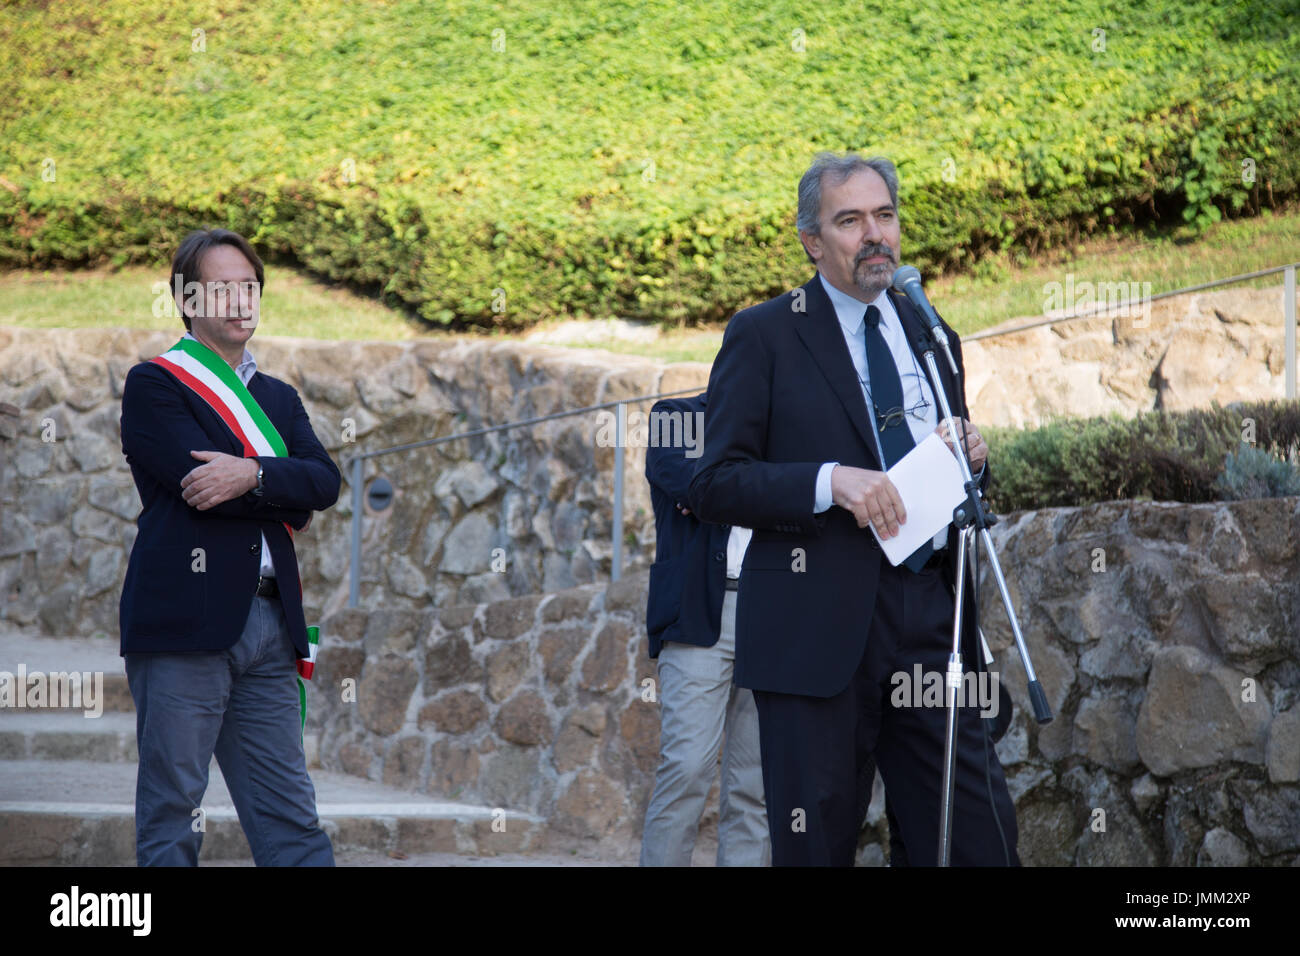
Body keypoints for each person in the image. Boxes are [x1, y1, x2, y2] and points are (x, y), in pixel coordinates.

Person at [688, 153, 1019, 866]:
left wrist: (974, 453)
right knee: (817, 848)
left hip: (933, 617)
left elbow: (961, 480)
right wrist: (829, 481)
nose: (875, 234)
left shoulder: (932, 333)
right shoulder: (766, 334)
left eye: (885, 215)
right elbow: (714, 482)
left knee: (977, 838)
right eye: (850, 220)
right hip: (818, 629)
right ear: (812, 240)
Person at [119, 228, 340, 866]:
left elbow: (322, 483)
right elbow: (196, 485)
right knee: (174, 810)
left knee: (291, 815)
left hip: (273, 624)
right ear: (187, 299)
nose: (242, 302)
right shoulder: (156, 384)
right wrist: (277, 483)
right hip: (186, 621)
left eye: (250, 287)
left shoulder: (277, 396)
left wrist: (253, 475)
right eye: (223, 288)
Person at [640, 392, 769, 866]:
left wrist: (722, 492)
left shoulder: (788, 429)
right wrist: (761, 489)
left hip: (771, 614)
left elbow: (802, 504)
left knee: (754, 784)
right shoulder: (677, 418)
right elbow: (691, 485)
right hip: (698, 614)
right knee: (686, 769)